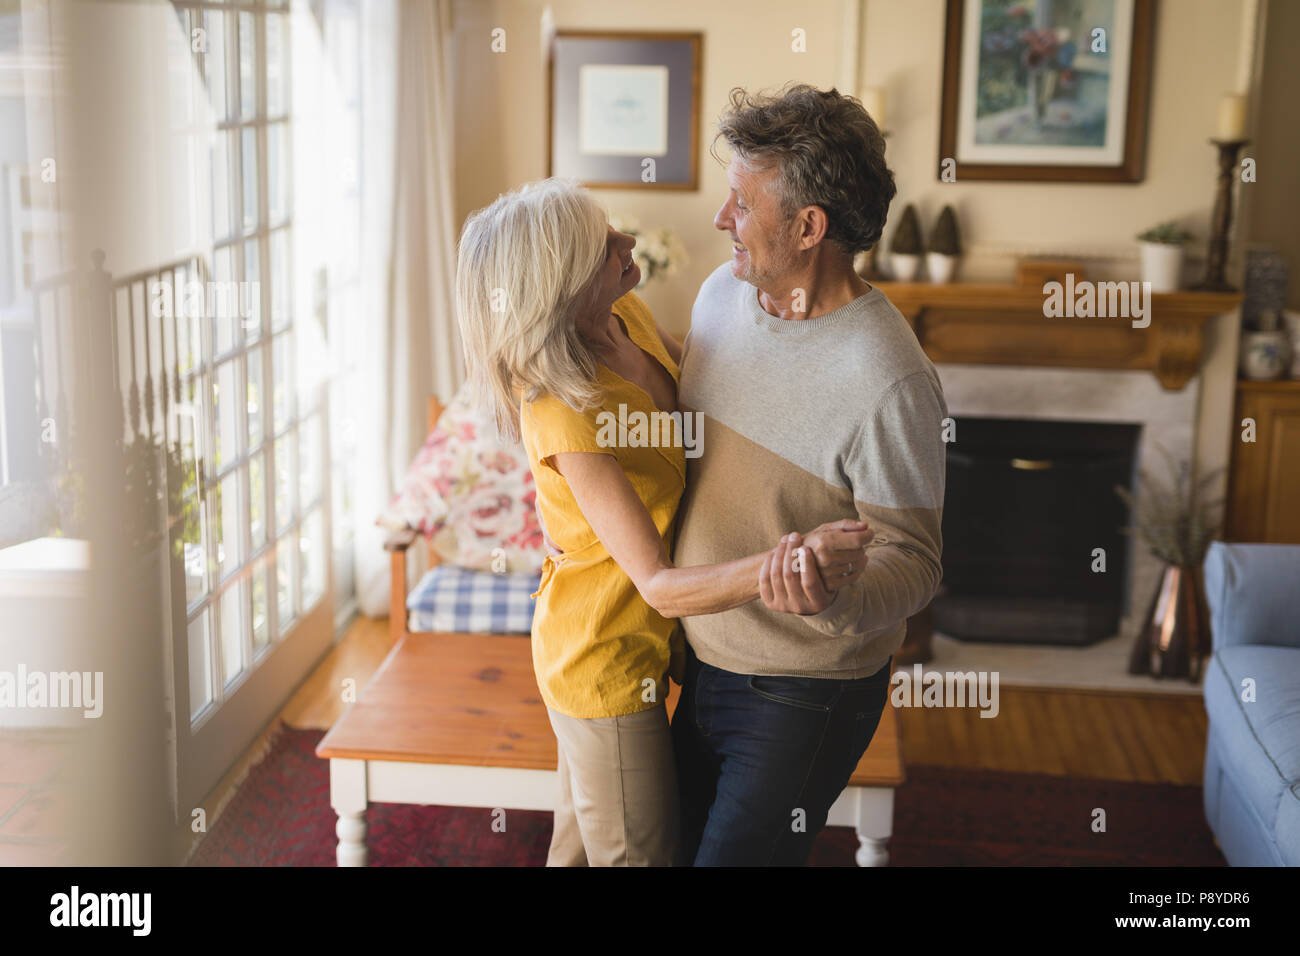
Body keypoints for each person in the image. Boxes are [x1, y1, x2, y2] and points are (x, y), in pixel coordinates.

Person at [454, 177, 871, 867]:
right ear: (560, 283)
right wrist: (786, 563)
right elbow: (657, 584)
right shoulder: (559, 411)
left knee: (582, 849)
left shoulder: (628, 320)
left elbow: (714, 400)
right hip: (605, 659)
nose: (627, 240)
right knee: (640, 856)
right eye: (602, 245)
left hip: (649, 647)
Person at [671, 84, 949, 866]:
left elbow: (918, 560)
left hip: (801, 691)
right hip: (697, 656)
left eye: (741, 202)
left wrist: (838, 595)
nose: (722, 219)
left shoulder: (889, 378)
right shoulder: (721, 297)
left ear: (808, 227)